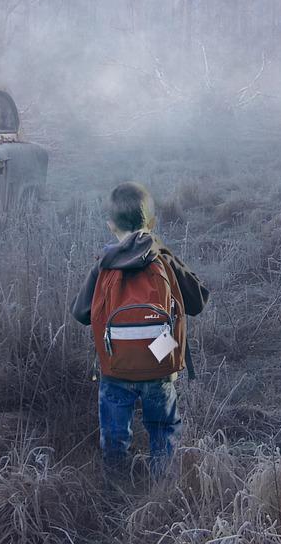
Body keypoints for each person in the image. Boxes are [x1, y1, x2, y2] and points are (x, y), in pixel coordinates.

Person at [71, 182, 208, 476]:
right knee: (162, 430)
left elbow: (80, 313)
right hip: (160, 365)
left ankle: (116, 488)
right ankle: (162, 489)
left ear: (110, 226)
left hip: (114, 369)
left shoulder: (103, 265)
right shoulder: (163, 259)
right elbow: (198, 301)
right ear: (153, 222)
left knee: (115, 435)